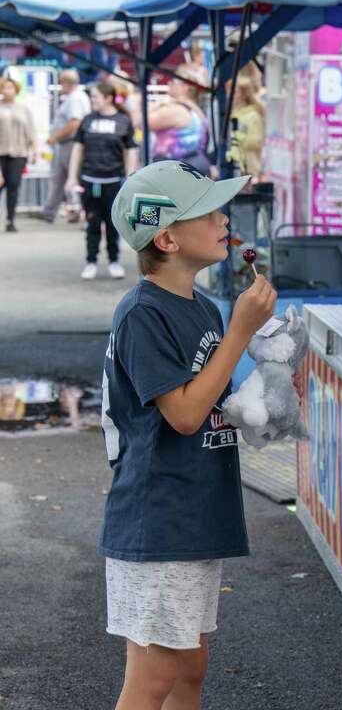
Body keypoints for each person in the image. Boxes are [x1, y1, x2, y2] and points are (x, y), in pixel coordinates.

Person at [101, 159, 278, 710]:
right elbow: (182, 413)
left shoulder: (201, 305)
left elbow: (213, 398)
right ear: (168, 237)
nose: (224, 219)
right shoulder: (142, 313)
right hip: (159, 518)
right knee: (156, 673)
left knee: (189, 666)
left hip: (194, 512)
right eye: (207, 211)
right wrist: (241, 331)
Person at [68, 82, 139, 280]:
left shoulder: (123, 121)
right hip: (90, 180)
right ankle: (91, 261)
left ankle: (114, 261)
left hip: (113, 181)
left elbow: (130, 151)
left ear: (108, 98)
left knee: (112, 224)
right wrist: (71, 177)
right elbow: (77, 149)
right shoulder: (87, 120)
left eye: (96, 97)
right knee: (92, 223)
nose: (92, 101)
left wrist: (131, 177)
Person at [40, 68, 92, 223]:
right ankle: (51, 211)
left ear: (65, 82)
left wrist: (54, 138)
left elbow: (74, 123)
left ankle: (80, 211)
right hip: (66, 145)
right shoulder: (74, 97)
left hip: (69, 144)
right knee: (61, 179)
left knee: (73, 178)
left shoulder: (75, 99)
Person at [148, 65, 211, 174]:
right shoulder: (196, 109)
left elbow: (143, 122)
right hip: (192, 165)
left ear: (185, 87)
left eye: (173, 81)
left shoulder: (177, 110)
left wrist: (157, 104)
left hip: (179, 169)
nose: (169, 83)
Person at [0, 75, 36, 233]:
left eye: (10, 87)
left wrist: (34, 150)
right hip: (0, 153)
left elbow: (31, 131)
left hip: (19, 153)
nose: (7, 90)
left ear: (16, 90)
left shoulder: (23, 109)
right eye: (4, 87)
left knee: (13, 185)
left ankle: (10, 219)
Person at [227, 63, 264, 181]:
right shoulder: (231, 114)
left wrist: (237, 139)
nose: (229, 95)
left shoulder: (253, 116)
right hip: (233, 167)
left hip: (248, 169)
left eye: (234, 92)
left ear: (243, 94)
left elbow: (255, 142)